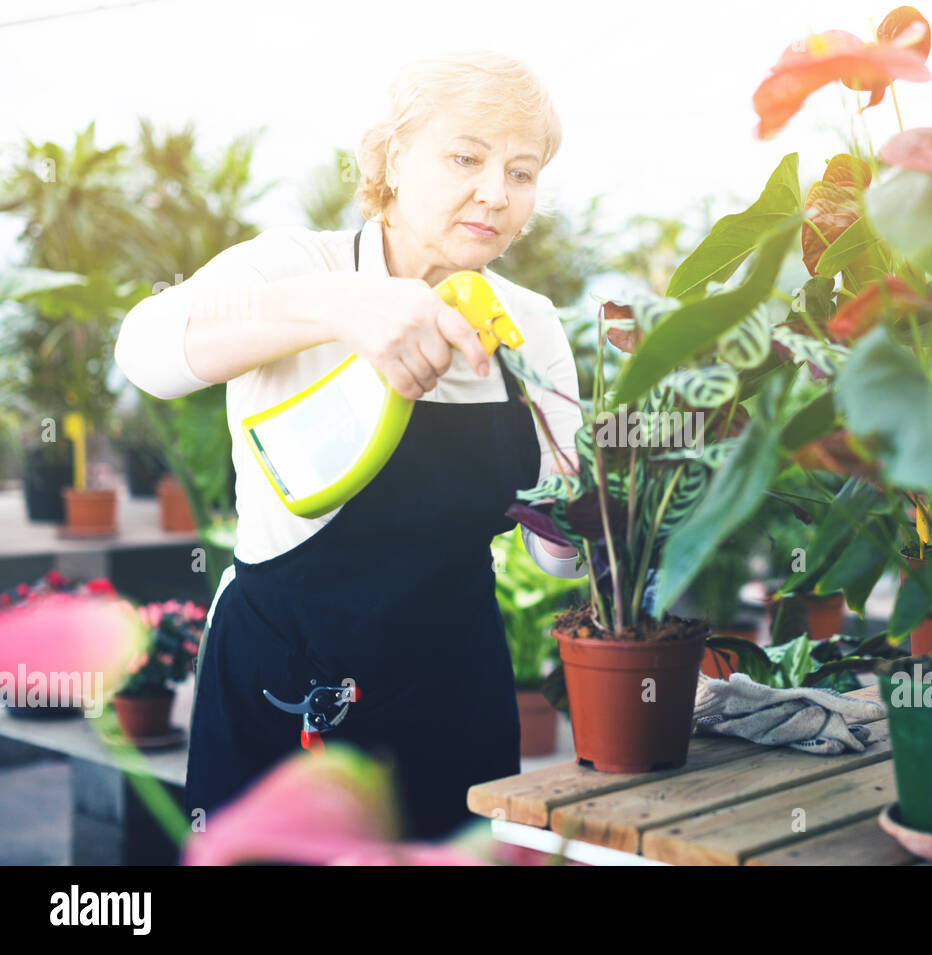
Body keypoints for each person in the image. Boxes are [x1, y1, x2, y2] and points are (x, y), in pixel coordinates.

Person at [114, 48, 585, 840]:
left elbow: (559, 555)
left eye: (522, 172)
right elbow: (145, 350)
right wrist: (340, 308)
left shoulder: (529, 322)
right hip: (286, 693)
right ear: (394, 158)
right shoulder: (300, 265)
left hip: (456, 699)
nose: (495, 194)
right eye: (466, 157)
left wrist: (606, 493)